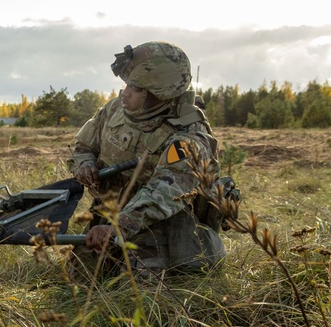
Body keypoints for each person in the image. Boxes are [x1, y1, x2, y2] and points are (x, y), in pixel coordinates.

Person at [68, 41, 226, 274]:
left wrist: (118, 227)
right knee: (78, 276)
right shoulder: (115, 110)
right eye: (127, 84)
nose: (126, 93)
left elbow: (164, 194)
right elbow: (83, 146)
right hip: (110, 215)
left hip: (160, 226)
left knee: (138, 295)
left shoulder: (188, 136)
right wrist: (85, 164)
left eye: (138, 89)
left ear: (161, 94)